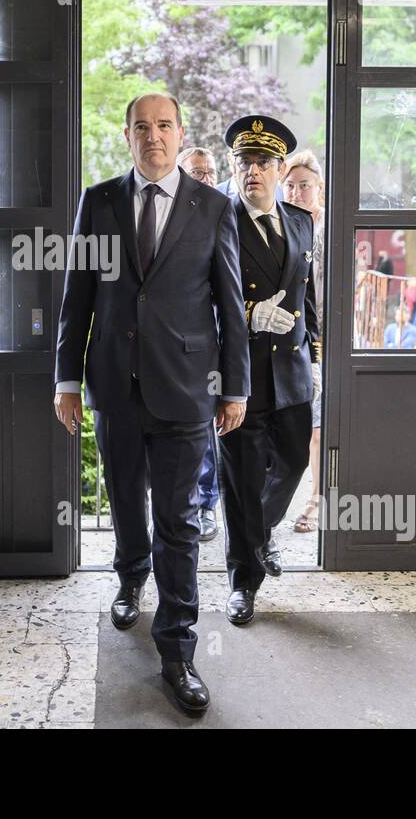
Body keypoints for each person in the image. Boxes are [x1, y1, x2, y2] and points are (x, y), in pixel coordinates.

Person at [54, 92, 248, 716]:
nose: (154, 136)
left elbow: (229, 306)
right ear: (127, 134)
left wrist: (236, 386)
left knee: (181, 520)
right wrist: (65, 379)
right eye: (143, 126)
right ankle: (129, 575)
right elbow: (77, 294)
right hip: (114, 385)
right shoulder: (99, 200)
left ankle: (177, 651)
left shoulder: (214, 207)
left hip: (188, 390)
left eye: (165, 126)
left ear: (180, 132)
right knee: (125, 498)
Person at [216, 115, 318, 623]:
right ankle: (243, 581)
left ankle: (258, 537)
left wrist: (314, 352)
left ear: (281, 169)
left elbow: (306, 291)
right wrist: (250, 315)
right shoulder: (216, 220)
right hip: (241, 376)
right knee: (241, 482)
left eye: (262, 162)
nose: (252, 170)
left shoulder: (302, 221)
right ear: (232, 167)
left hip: (293, 373)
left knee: (295, 464)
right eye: (243, 161)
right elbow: (195, 298)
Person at [177, 146, 222, 541]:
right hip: (178, 348)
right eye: (197, 172)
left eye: (210, 172)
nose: (205, 178)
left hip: (215, 344)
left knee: (208, 433)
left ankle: (206, 506)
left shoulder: (220, 211)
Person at [281, 149, 325, 536]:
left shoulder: (328, 231)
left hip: (327, 338)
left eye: (304, 186)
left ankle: (316, 500)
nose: (296, 192)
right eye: (290, 186)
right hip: (295, 339)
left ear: (320, 190)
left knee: (318, 429)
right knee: (303, 427)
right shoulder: (283, 226)